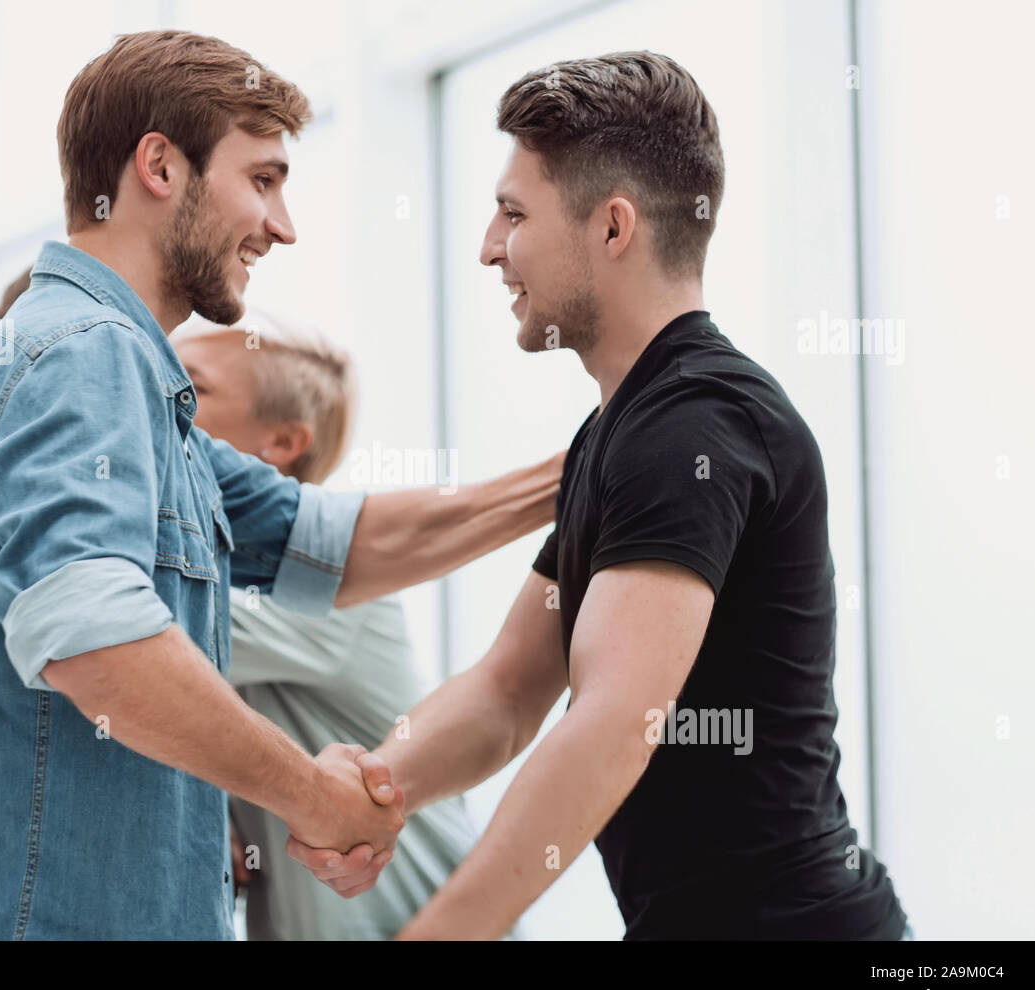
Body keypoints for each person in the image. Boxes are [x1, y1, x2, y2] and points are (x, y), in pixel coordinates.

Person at [0, 30, 561, 940]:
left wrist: (581, 470)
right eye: (263, 180)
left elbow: (332, 541)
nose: (282, 225)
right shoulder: (87, 355)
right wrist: (311, 794)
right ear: (159, 165)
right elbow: (96, 641)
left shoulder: (138, 393)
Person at [286, 50, 911, 942]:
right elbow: (508, 691)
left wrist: (439, 935)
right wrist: (378, 783)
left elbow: (615, 722)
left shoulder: (693, 426)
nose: (489, 247)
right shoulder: (617, 435)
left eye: (513, 213)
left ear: (613, 228)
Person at [0, 299, 508, 942]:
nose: (156, 395)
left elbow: (121, 620)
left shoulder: (327, 601)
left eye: (193, 386)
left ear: (281, 444)